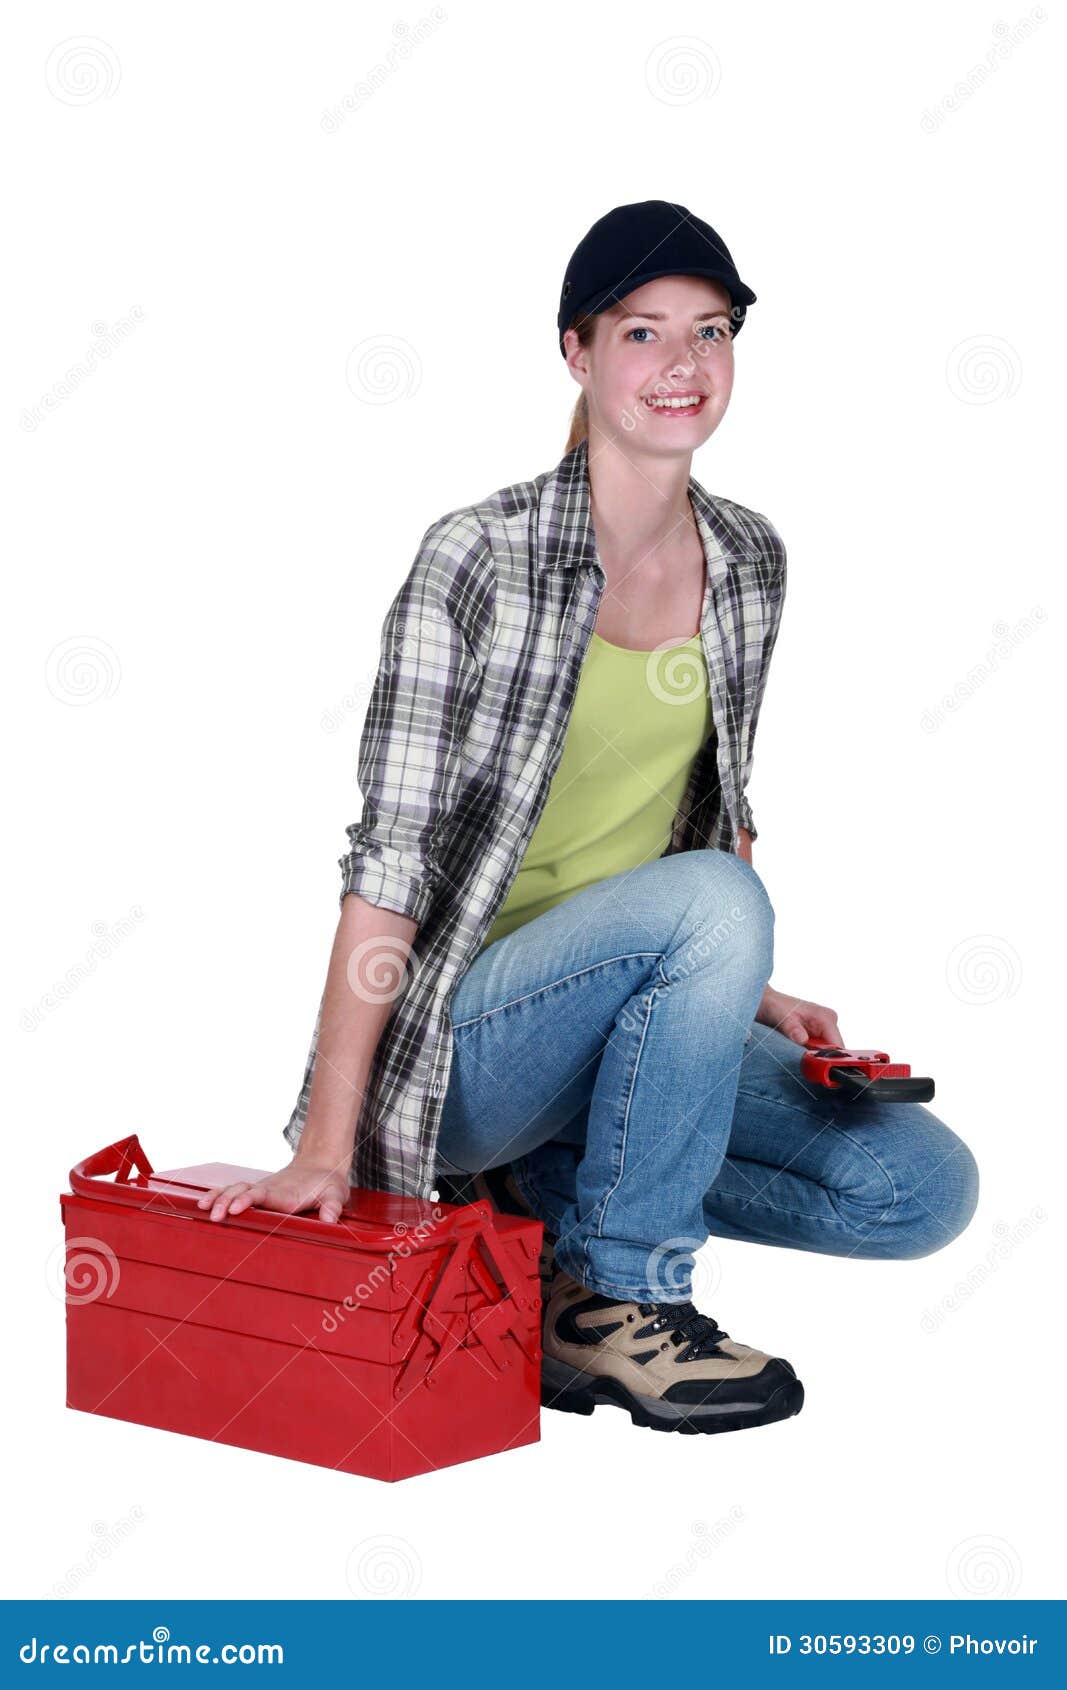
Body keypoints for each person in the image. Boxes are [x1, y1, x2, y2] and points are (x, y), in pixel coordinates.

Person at [199, 201, 980, 1437]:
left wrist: (742, 983)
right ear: (577, 351)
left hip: (635, 994)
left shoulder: (748, 558)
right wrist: (327, 1147)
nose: (681, 366)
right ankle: (613, 1301)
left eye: (709, 332)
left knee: (915, 1189)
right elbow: (387, 867)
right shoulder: (478, 557)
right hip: (466, 1049)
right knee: (720, 904)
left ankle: (555, 1204)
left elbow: (705, 812)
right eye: (642, 333)